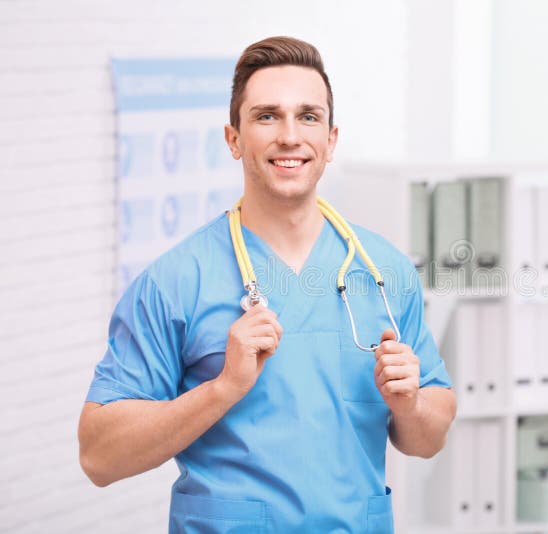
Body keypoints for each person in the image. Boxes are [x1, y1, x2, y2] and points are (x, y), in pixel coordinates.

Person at [78, 36, 456, 533]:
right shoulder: (175, 282)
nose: (289, 136)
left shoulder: (386, 273)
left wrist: (409, 404)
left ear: (331, 139)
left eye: (308, 116)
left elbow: (427, 438)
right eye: (266, 116)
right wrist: (223, 389)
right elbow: (99, 457)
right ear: (234, 139)